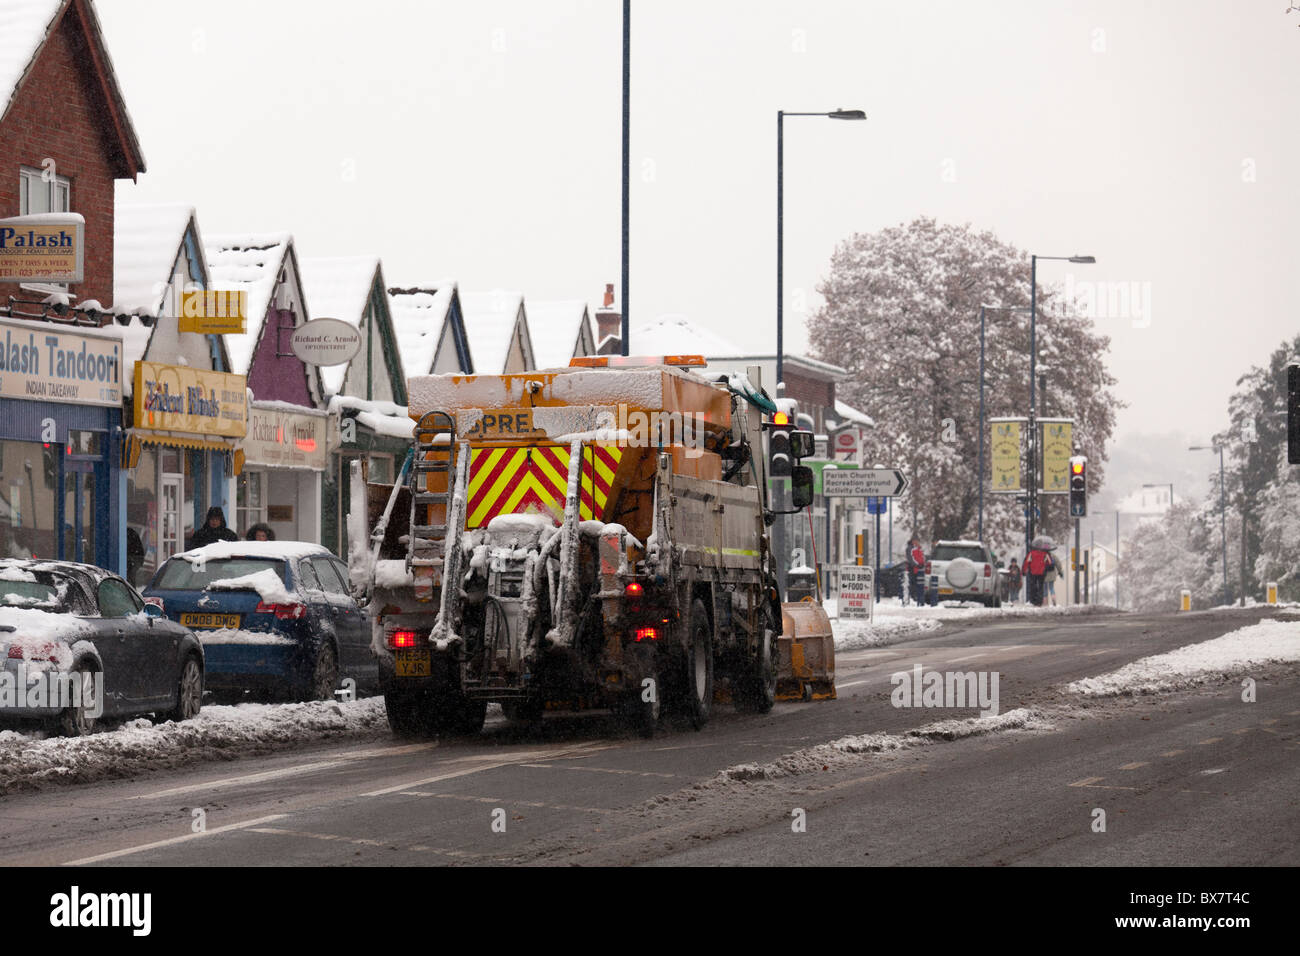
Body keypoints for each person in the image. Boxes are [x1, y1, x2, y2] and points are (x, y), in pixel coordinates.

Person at [906, 537, 927, 606]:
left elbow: (922, 557)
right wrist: (917, 565)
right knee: (913, 584)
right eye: (916, 541)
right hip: (913, 569)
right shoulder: (910, 548)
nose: (918, 542)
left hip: (920, 570)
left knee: (919, 584)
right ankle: (913, 598)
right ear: (913, 541)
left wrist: (923, 564)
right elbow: (910, 558)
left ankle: (918, 598)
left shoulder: (919, 549)